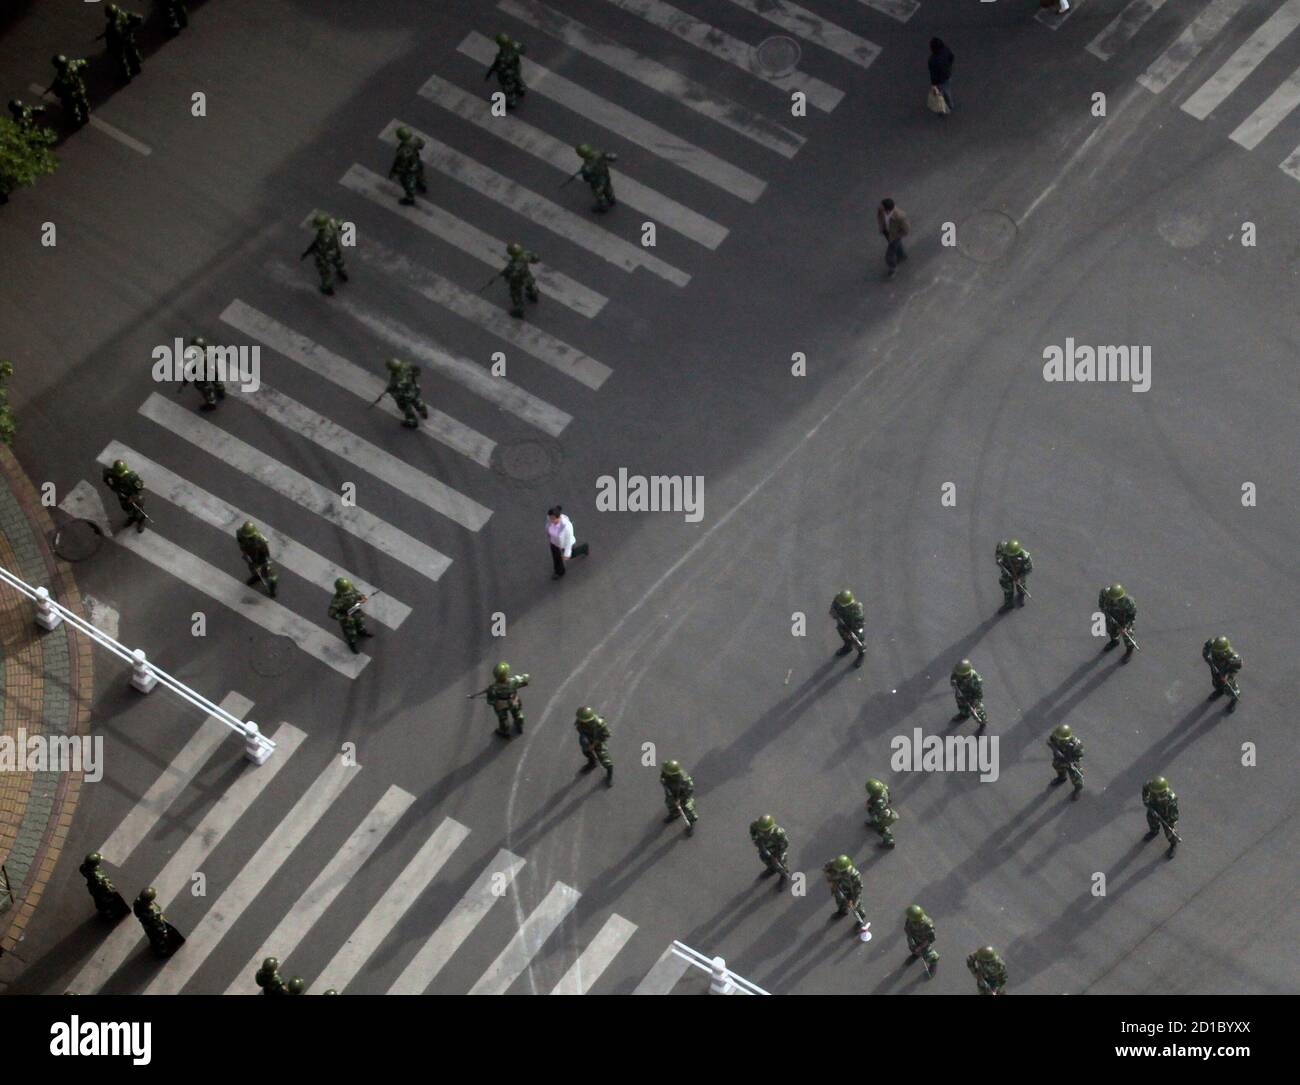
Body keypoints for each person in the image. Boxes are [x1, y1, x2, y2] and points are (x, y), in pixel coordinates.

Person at [546, 505, 588, 580]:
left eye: (552, 519)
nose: (550, 520)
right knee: (556, 557)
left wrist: (566, 554)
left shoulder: (566, 527)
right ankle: (559, 571)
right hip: (554, 542)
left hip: (564, 544)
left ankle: (584, 548)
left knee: (571, 555)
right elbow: (548, 527)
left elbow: (568, 541)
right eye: (549, 518)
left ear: (557, 518)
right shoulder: (550, 520)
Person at [876, 198, 910, 279]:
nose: (880, 207)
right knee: (897, 245)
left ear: (887, 210)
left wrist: (896, 236)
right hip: (887, 232)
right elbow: (880, 217)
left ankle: (892, 268)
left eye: (882, 206)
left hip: (895, 236)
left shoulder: (900, 216)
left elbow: (906, 230)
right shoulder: (881, 210)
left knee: (889, 255)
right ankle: (902, 255)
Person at [928, 38, 954, 114]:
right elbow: (952, 57)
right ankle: (950, 105)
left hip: (940, 80)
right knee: (947, 91)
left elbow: (933, 74)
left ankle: (945, 108)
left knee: (940, 93)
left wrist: (933, 85)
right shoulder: (946, 49)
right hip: (947, 75)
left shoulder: (932, 60)